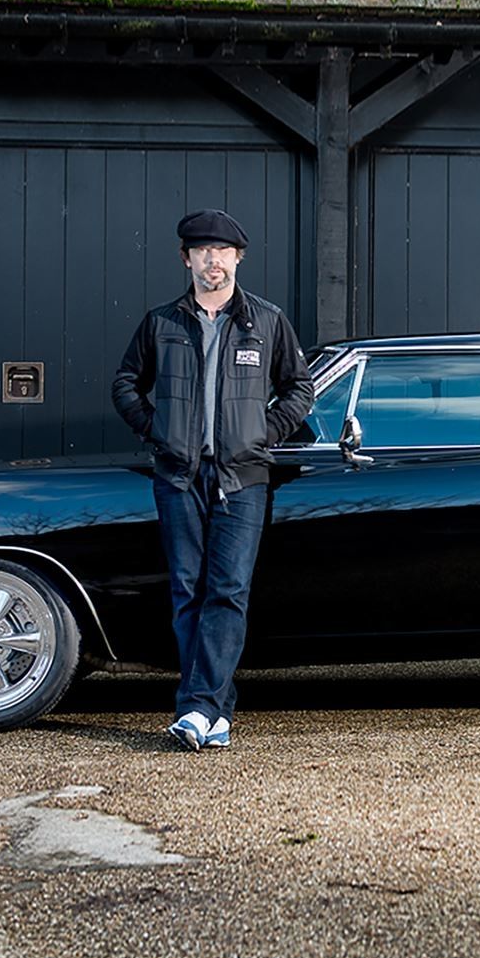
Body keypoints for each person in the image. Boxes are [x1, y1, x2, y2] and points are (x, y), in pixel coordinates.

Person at [111, 209, 314, 751]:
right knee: (186, 593)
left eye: (222, 252)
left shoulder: (266, 322)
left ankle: (196, 708)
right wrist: (159, 430)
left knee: (228, 590)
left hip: (242, 479)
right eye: (202, 252)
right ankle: (215, 712)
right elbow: (126, 384)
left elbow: (300, 389)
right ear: (187, 259)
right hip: (178, 477)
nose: (212, 261)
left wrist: (261, 434)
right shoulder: (162, 323)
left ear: (238, 258)